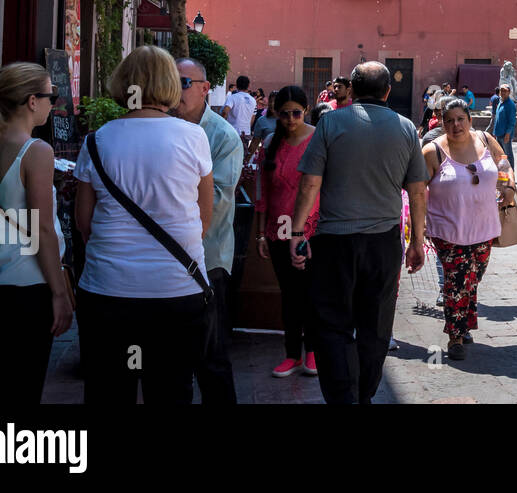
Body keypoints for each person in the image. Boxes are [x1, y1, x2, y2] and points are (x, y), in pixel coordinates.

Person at [73, 46, 214, 404]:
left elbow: (83, 222)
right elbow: (204, 217)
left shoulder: (97, 140)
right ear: (170, 84)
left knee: (108, 390)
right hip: (177, 289)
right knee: (171, 390)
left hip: (108, 290)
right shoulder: (193, 137)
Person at [291, 62, 427, 403]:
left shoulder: (330, 123)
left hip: (335, 242)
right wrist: (417, 240)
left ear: (351, 90)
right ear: (387, 91)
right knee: (376, 325)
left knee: (331, 323)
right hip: (383, 243)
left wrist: (296, 231)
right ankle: (363, 395)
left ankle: (342, 396)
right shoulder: (407, 129)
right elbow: (418, 190)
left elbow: (309, 182)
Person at [0, 63, 71, 404]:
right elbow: (42, 228)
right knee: (22, 384)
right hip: (27, 284)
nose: (53, 103)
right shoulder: (36, 151)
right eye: (50, 96)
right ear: (31, 101)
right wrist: (59, 292)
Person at [172, 57, 243, 403]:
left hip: (207, 257)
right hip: (167, 260)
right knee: (173, 360)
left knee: (211, 356)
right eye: (171, 81)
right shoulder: (164, 126)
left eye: (184, 83)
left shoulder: (222, 136)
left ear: (204, 89)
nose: (176, 89)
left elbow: (216, 199)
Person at [421, 98, 512, 360]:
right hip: (448, 228)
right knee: (457, 279)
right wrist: (417, 223)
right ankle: (456, 336)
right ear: (441, 123)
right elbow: (417, 188)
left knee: (473, 277)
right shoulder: (432, 151)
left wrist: (507, 187)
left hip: (484, 226)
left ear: (470, 120)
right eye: (448, 120)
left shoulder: (485, 139)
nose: (455, 125)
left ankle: (464, 320)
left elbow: (504, 164)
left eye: (460, 119)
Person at [255, 85, 319, 377]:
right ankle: (292, 354)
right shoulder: (270, 143)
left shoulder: (319, 140)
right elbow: (263, 193)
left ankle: (313, 352)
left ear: (305, 110)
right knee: (289, 294)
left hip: (311, 231)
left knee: (311, 293)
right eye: (284, 114)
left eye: (296, 113)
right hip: (277, 231)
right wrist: (260, 233)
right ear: (275, 114)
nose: (291, 119)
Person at [491, 83, 517, 164]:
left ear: (509, 92)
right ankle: (503, 172)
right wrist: (494, 132)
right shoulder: (500, 102)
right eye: (501, 90)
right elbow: (498, 119)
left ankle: (511, 172)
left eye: (505, 91)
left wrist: (508, 134)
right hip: (498, 134)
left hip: (505, 135)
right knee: (500, 155)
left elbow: (512, 121)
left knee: (508, 155)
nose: (502, 92)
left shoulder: (510, 104)